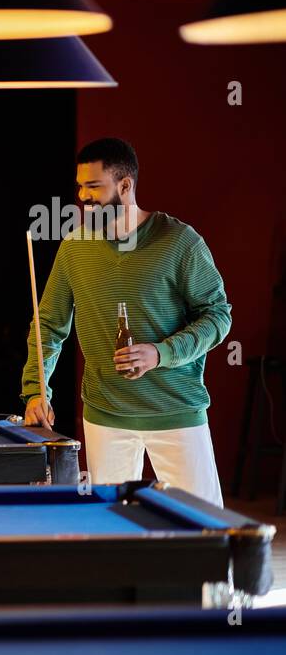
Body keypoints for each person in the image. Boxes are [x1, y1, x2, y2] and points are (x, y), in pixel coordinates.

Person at [22, 138, 231, 504]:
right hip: (105, 414)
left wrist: (160, 353)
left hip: (176, 410)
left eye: (93, 186)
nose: (83, 197)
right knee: (113, 531)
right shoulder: (74, 246)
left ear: (124, 185)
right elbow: (49, 325)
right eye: (80, 186)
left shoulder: (180, 242)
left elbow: (217, 316)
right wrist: (37, 389)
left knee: (205, 532)